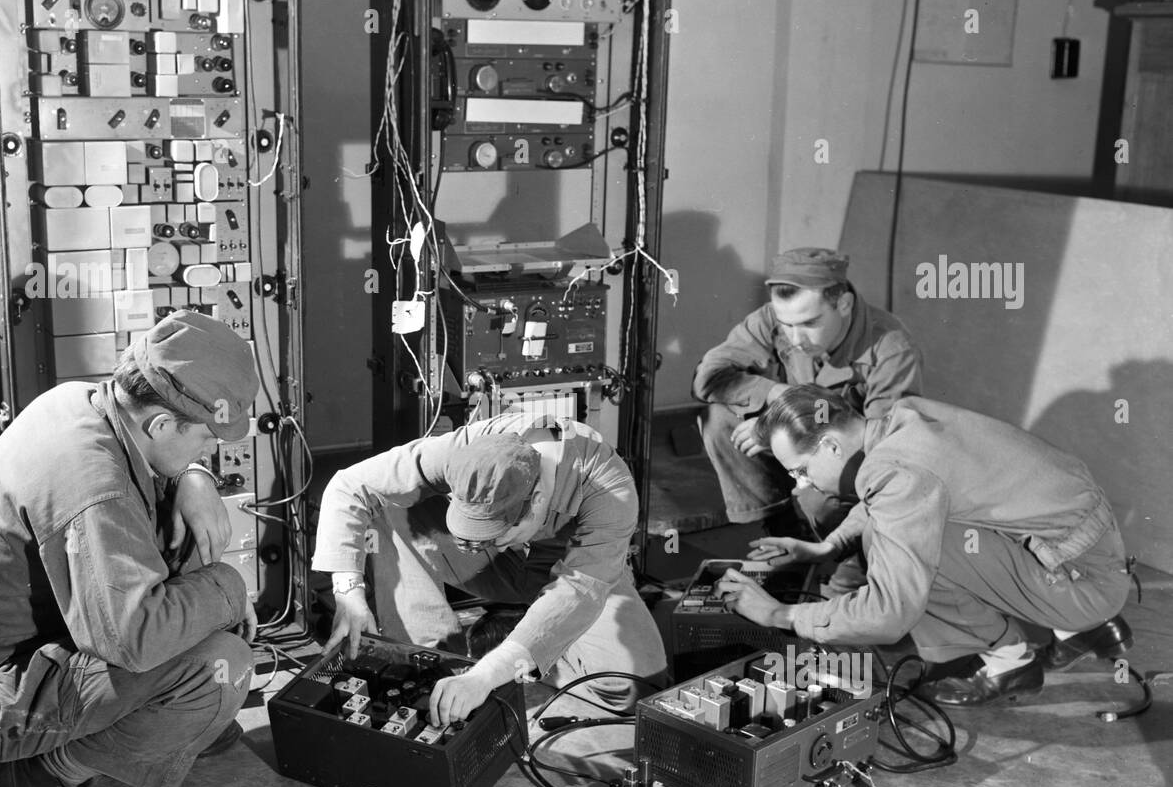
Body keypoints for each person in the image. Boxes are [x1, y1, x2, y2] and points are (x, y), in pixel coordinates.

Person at [0, 310, 260, 787]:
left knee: (190, 549)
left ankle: (168, 725)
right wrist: (230, 590)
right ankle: (34, 777)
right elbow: (132, 641)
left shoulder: (86, 402)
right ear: (164, 425)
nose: (210, 451)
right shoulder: (96, 489)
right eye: (206, 440)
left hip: (0, 646)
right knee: (220, 668)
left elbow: (153, 468)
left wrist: (194, 478)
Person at [715, 386, 1133, 707]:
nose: (799, 485)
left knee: (897, 551)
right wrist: (827, 548)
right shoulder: (898, 422)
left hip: (1085, 584)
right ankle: (1072, 629)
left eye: (801, 471)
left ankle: (1012, 661)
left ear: (831, 446)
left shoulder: (896, 471)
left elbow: (888, 614)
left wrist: (777, 613)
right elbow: (890, 496)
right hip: (1082, 554)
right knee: (896, 532)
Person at [314, 412, 665, 738]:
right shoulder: (465, 447)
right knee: (389, 501)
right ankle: (431, 656)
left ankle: (510, 649)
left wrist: (488, 675)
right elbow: (348, 485)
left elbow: (578, 593)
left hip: (567, 567)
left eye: (491, 528)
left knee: (632, 687)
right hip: (494, 561)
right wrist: (348, 591)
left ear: (539, 500)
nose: (470, 540)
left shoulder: (610, 490)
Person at [692, 249, 923, 587]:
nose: (796, 339)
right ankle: (785, 528)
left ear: (843, 305)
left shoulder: (892, 350)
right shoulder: (774, 318)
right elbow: (707, 378)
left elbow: (884, 455)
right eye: (786, 326)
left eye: (809, 324)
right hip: (798, 443)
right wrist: (776, 396)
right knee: (718, 418)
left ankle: (853, 565)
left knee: (822, 502)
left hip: (849, 461)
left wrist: (787, 435)